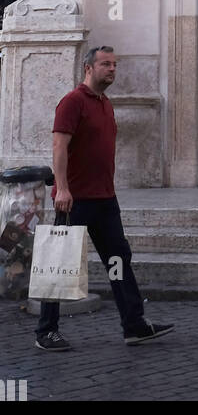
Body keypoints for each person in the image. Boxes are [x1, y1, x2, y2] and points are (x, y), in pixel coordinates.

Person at [35, 45, 174, 351]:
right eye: (106, 64)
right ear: (89, 68)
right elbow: (59, 147)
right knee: (60, 263)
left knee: (118, 260)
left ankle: (134, 325)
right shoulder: (72, 102)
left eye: (115, 64)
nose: (112, 69)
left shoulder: (105, 103)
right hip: (75, 200)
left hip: (105, 199)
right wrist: (63, 188)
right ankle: (46, 331)